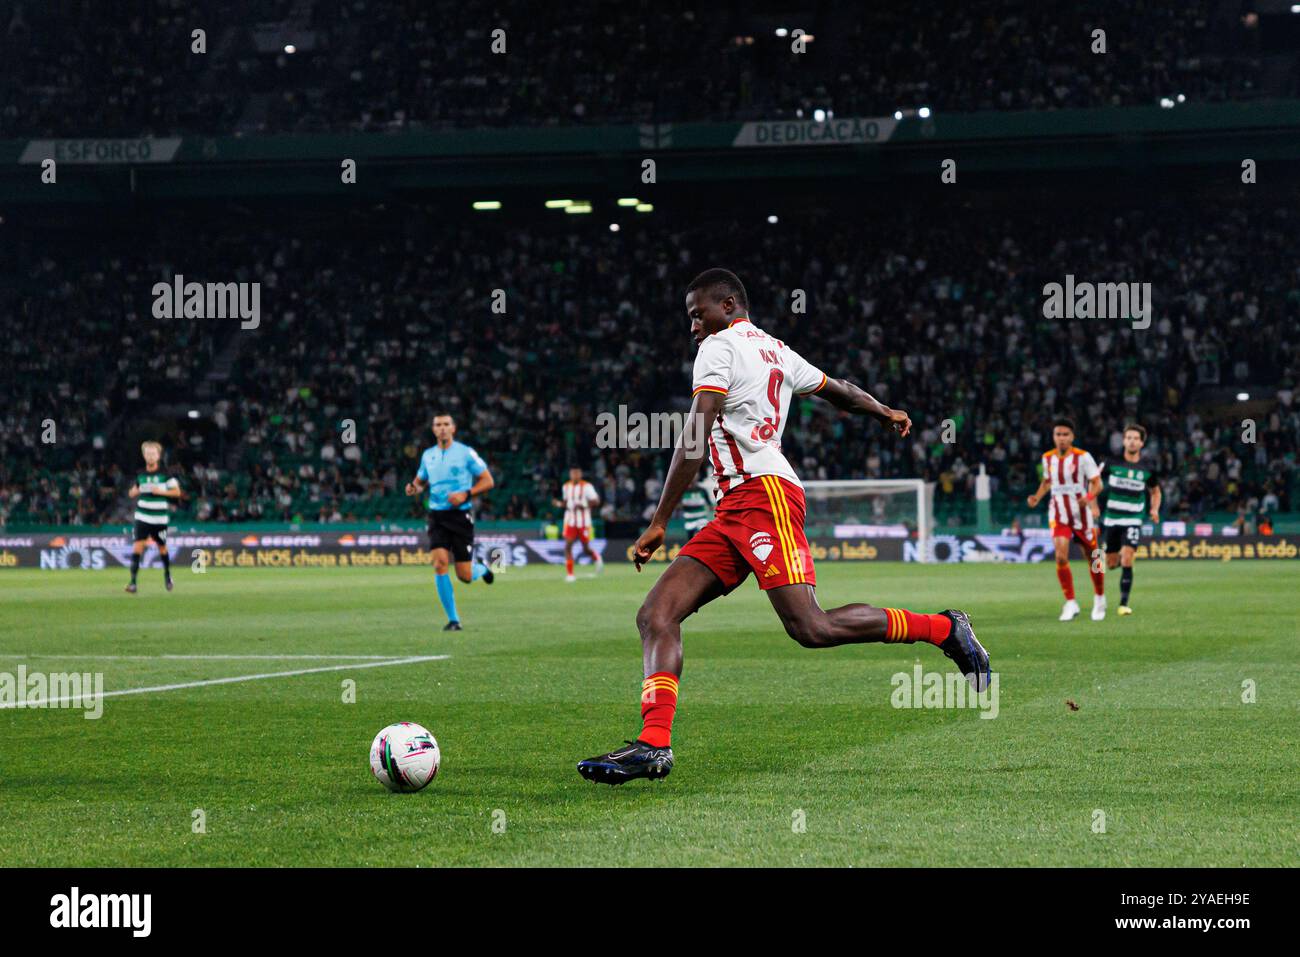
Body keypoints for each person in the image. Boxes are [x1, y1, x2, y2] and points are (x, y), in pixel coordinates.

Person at [577, 268, 990, 785]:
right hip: (735, 507)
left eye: (696, 314)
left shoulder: (719, 347)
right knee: (657, 614)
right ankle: (653, 746)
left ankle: (945, 628)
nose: (692, 327)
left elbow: (693, 437)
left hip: (765, 496)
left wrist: (659, 521)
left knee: (811, 628)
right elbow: (837, 390)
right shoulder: (777, 350)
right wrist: (882, 410)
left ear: (727, 305)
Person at [404, 413, 495, 631]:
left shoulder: (465, 453)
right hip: (437, 516)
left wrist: (466, 493)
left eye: (446, 424)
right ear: (433, 429)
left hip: (460, 517)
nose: (442, 428)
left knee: (464, 575)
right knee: (439, 564)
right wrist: (413, 488)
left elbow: (488, 480)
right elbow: (420, 481)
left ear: (453, 428)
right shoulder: (428, 455)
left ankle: (481, 569)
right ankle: (454, 620)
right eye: (438, 425)